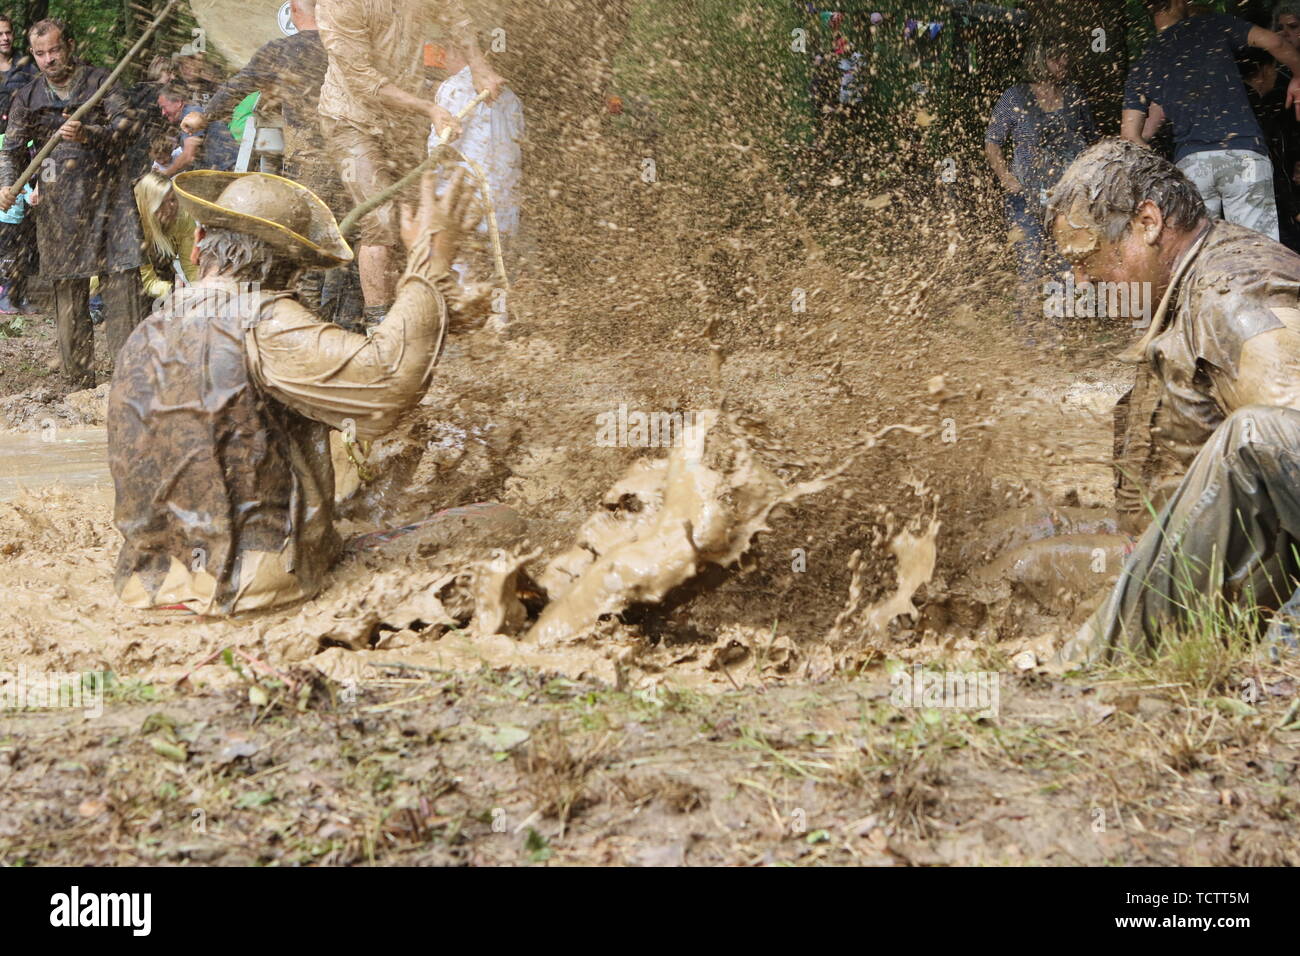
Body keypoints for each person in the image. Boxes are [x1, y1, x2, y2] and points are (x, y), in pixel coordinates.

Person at [108, 166, 480, 615]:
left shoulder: (147, 330)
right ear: (294, 272)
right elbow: (387, 386)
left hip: (143, 590)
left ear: (198, 241)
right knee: (493, 519)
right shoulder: (266, 321)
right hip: (252, 591)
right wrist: (432, 258)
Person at [1047, 138, 1300, 664]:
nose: (1082, 281)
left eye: (1086, 257)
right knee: (1009, 552)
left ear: (1147, 221)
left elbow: (1283, 442)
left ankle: (1081, 673)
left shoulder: (1234, 297)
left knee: (1253, 439)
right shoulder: (1183, 283)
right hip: (1174, 557)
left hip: (1217, 607)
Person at [317, 0, 504, 327]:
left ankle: (435, 314)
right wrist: (429, 109)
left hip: (404, 119)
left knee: (430, 211)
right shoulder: (337, 5)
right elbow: (365, 82)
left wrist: (478, 66)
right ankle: (382, 326)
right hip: (352, 120)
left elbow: (453, 13)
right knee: (382, 219)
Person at [180, 0, 352, 318]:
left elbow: (239, 86)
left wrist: (202, 116)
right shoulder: (349, 44)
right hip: (357, 161)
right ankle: (352, 333)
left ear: (293, 13)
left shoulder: (282, 50)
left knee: (309, 255)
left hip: (312, 163)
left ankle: (310, 332)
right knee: (353, 249)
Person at [0, 18, 143, 388]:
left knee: (122, 282)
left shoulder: (101, 82)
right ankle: (78, 379)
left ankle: (128, 378)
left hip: (110, 197)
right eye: (40, 53)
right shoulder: (27, 97)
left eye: (55, 50)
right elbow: (12, 151)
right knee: (68, 290)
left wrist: (90, 133)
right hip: (57, 201)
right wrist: (6, 185)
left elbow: (130, 128)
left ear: (71, 46)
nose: (49, 59)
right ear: (32, 55)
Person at [1121, 0, 1300, 241]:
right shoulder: (1213, 24)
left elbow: (1131, 137)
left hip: (1192, 165)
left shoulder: (1144, 63)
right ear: (1177, 2)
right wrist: (1298, 77)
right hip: (1244, 155)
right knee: (1257, 250)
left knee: (1199, 252)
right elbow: (1276, 42)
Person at [985, 39, 1098, 329]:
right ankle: (1026, 331)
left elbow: (1091, 141)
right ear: (1039, 61)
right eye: (1056, 58)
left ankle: (1059, 328)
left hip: (1069, 196)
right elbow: (992, 141)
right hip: (1025, 195)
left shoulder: (1074, 95)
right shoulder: (1015, 97)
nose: (1064, 63)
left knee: (1065, 263)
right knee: (1030, 262)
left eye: (1065, 56)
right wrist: (1005, 178)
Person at [429, 39, 523, 284]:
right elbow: (519, 148)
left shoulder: (452, 88)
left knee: (458, 270)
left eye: (446, 50)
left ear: (458, 49)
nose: (443, 59)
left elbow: (437, 150)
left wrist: (434, 198)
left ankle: (463, 320)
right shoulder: (511, 96)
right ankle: (497, 319)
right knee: (497, 272)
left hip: (464, 202)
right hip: (503, 203)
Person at [1236, 48, 1300, 252]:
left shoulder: (1229, 103)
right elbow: (1271, 165)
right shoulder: (1257, 112)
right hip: (1260, 204)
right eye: (1274, 67)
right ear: (1264, 70)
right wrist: (1295, 209)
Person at [133, 170, 196, 299]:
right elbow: (147, 283)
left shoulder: (183, 218)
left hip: (164, 277)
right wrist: (176, 292)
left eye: (173, 199)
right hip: (131, 287)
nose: (170, 208)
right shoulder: (134, 229)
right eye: (161, 203)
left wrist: (203, 290)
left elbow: (192, 266)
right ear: (148, 206)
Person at [156, 85, 238, 176]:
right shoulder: (187, 116)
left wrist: (166, 173)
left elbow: (188, 157)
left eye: (164, 107)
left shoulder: (191, 115)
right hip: (222, 170)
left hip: (229, 169)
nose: (163, 113)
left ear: (178, 103)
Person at [0, 13, 37, 134]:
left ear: (14, 34)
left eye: (8, 32)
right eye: (0, 34)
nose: (5, 38)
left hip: (21, 140)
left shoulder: (28, 68)